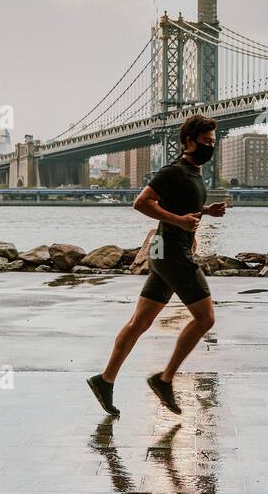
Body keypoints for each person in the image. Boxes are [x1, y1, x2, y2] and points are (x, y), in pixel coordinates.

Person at [86, 115, 226, 416]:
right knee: (205, 319)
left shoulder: (192, 172)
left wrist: (205, 212)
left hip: (163, 252)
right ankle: (164, 379)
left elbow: (179, 206)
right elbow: (141, 202)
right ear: (189, 141)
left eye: (213, 142)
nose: (210, 146)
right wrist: (180, 221)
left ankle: (105, 379)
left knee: (140, 322)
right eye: (206, 141)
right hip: (172, 253)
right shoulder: (174, 171)